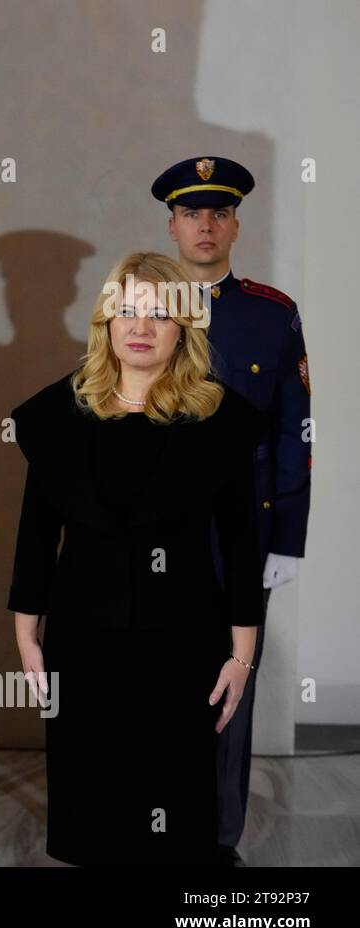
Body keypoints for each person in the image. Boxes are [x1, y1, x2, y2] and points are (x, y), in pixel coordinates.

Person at [8, 251, 265, 867]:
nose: (140, 327)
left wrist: (242, 656)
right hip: (81, 641)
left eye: (158, 315)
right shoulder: (54, 415)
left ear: (183, 329)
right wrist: (26, 638)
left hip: (183, 645)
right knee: (90, 805)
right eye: (126, 311)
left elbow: (240, 542)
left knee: (173, 811)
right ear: (106, 322)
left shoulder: (221, 419)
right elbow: (37, 534)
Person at [152, 157, 312, 860]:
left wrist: (290, 538)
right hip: (153, 528)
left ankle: (217, 837)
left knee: (230, 684)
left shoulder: (271, 314)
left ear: (236, 225)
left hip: (243, 527)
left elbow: (295, 428)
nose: (206, 225)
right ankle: (154, 821)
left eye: (218, 213)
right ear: (173, 225)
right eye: (193, 213)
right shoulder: (138, 306)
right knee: (154, 679)